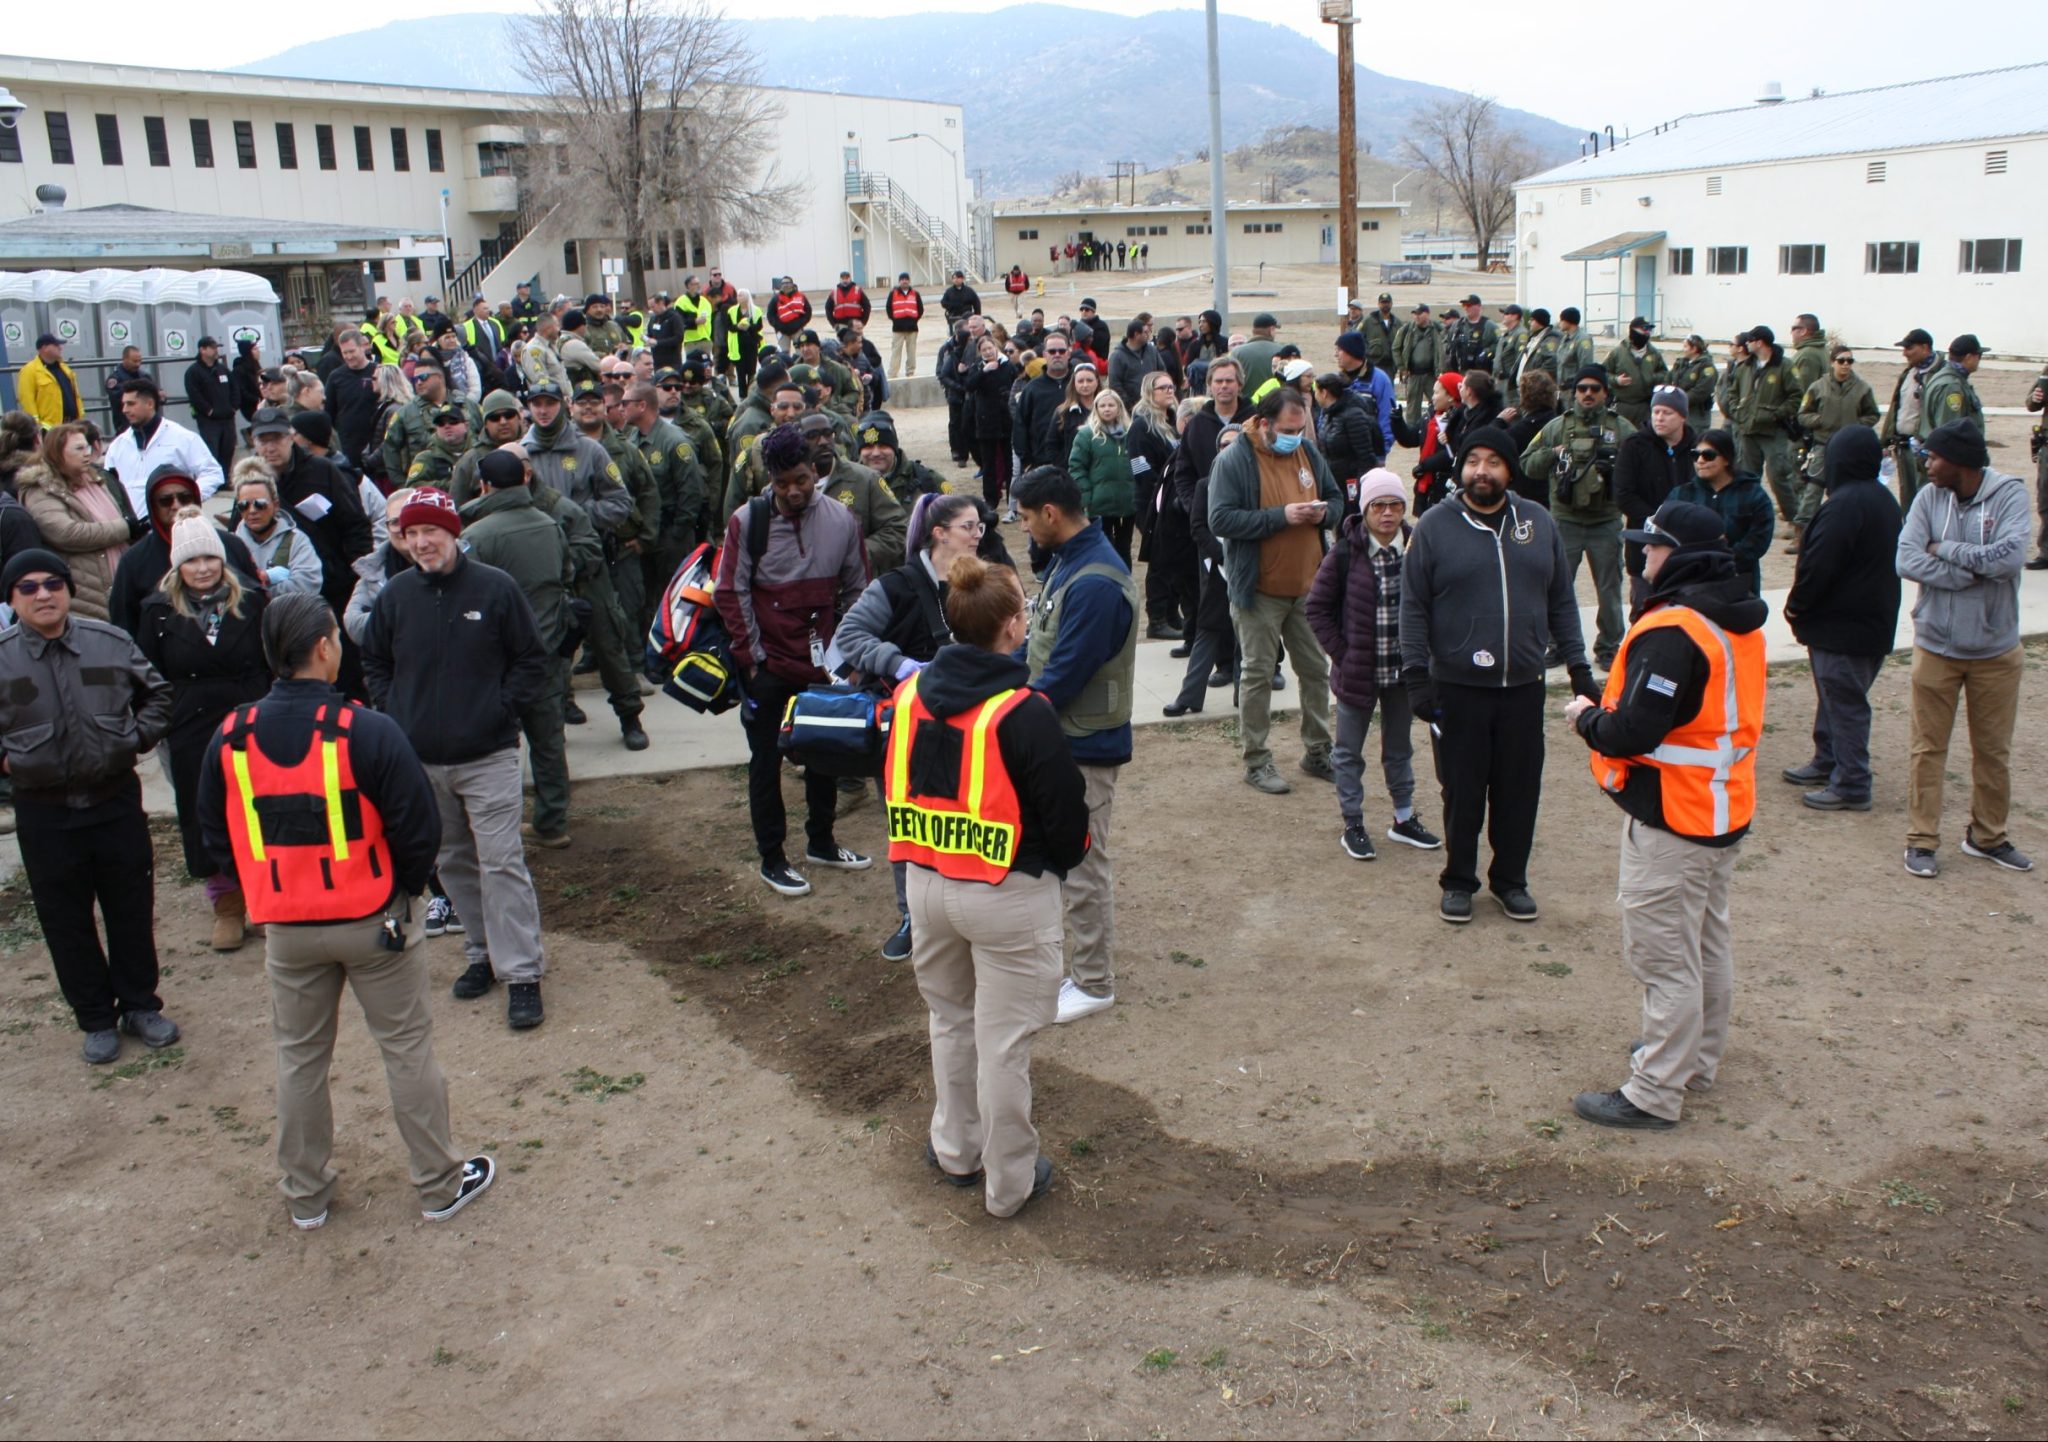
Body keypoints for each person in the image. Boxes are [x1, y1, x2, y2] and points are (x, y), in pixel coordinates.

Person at [197, 592, 495, 1229]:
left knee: (299, 1059)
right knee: (407, 1048)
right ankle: (440, 1185)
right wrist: (405, 894)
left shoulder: (231, 735)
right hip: (374, 919)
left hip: (286, 926)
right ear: (326, 646)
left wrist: (260, 894)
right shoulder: (368, 730)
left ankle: (306, 1197)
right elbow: (418, 829)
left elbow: (214, 835)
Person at [887, 552, 1087, 1216]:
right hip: (1006, 894)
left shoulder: (909, 692)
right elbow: (1065, 819)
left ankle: (956, 1149)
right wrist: (1060, 862)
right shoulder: (1023, 712)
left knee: (950, 1022)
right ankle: (1009, 1183)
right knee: (1003, 1043)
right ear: (1009, 629)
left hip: (925, 884)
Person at [1564, 499, 1767, 1130]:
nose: (1641, 554)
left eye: (1651, 545)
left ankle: (1654, 1091)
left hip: (1673, 818)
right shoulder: (1731, 618)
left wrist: (1585, 719)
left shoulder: (1676, 630)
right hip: (1719, 810)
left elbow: (1631, 731)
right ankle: (1693, 1059)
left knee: (1664, 958)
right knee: (1706, 945)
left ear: (1676, 554)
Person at [361, 488, 551, 1029]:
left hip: (487, 755)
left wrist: (500, 711)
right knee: (453, 861)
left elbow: (530, 661)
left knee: (501, 862)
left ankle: (521, 974)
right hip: (421, 760)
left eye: (431, 532)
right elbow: (374, 658)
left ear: (453, 533)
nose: (421, 543)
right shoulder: (397, 596)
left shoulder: (495, 589)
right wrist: (394, 711)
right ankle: (482, 954)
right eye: (412, 534)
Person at [1401, 426, 1598, 924]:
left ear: (1509, 470)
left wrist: (1578, 667)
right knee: (1463, 791)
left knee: (1518, 791)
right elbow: (1413, 608)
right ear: (1461, 467)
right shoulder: (1434, 527)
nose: (1481, 471)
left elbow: (1561, 601)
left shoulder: (1538, 523)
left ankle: (1511, 880)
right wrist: (1416, 675)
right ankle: (1459, 881)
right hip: (1459, 689)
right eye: (1473, 461)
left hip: (1523, 688)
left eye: (1493, 462)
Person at [0, 549, 177, 1064]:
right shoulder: (5, 656)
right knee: (65, 918)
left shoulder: (108, 643)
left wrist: (133, 740)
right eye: (27, 587)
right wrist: (10, 763)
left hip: (113, 800)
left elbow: (158, 696)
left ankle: (141, 1005)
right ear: (12, 599)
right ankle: (96, 1018)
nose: (43, 594)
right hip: (44, 811)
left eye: (52, 583)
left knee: (129, 907)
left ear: (68, 589)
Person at [712, 424, 873, 897]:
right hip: (767, 667)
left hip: (822, 667)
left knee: (826, 750)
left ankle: (821, 842)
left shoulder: (842, 521)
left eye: (800, 479)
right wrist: (752, 659)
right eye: (782, 483)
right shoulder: (748, 521)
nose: (793, 491)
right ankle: (772, 856)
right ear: (770, 479)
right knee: (765, 761)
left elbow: (858, 589)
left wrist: (850, 655)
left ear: (815, 472)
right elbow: (731, 591)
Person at [836, 494, 991, 960]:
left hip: (975, 726)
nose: (978, 535)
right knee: (909, 824)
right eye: (969, 526)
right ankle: (913, 916)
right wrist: (901, 665)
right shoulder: (897, 586)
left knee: (972, 817)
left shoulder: (983, 579)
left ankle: (970, 912)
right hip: (907, 726)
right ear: (938, 532)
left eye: (981, 527)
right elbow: (848, 637)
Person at [1010, 465, 1137, 1026]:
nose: (1023, 529)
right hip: (1065, 740)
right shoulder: (1072, 561)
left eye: (1025, 517)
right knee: (1065, 861)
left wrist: (1005, 718)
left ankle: (1093, 982)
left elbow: (1063, 675)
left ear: (1051, 514)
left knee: (1083, 863)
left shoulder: (1094, 581)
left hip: (1085, 745)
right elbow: (1041, 649)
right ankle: (1080, 970)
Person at [1895, 419, 2033, 879]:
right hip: (1935, 646)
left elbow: (2011, 557)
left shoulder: (2010, 495)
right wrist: (1966, 573)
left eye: (1933, 457)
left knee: (1993, 751)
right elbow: (1906, 557)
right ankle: (1921, 840)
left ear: (1959, 461)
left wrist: (1944, 548)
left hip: (1996, 651)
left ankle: (1987, 836)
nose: (1927, 464)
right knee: (1927, 749)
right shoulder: (1926, 497)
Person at [136, 506, 271, 951]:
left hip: (249, 717)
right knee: (203, 812)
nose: (202, 568)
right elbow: (149, 674)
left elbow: (273, 661)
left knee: (260, 810)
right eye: (192, 560)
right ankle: (226, 904)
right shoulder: (156, 611)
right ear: (178, 566)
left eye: (209, 559)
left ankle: (265, 899)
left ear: (222, 560)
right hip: (191, 724)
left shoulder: (252, 600)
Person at [1208, 387, 1342, 795]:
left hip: (1308, 588)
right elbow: (1220, 519)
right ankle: (1257, 760)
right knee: (1257, 675)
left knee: (1317, 671)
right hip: (1259, 591)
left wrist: (1324, 515)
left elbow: (1337, 498)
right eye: (1288, 429)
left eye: (1301, 429)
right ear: (1264, 423)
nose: (1295, 437)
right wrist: (1279, 517)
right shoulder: (1234, 459)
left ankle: (1317, 751)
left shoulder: (1307, 452)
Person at [1307, 468, 1441, 862]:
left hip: (1404, 674)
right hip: (1358, 673)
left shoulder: (1418, 548)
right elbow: (1317, 607)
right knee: (1349, 752)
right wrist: (1343, 654)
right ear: (1365, 509)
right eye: (1379, 505)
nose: (1388, 513)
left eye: (1395, 505)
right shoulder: (1346, 552)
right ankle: (1353, 824)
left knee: (1399, 748)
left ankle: (1402, 819)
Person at [1779, 427, 1903, 813]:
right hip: (1869, 624)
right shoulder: (1882, 500)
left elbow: (1819, 565)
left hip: (1844, 627)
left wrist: (1797, 605)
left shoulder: (1846, 505)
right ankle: (1827, 759)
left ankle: (1852, 782)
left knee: (1844, 701)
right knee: (1834, 697)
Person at [460, 448, 575, 849]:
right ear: (524, 480)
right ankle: (552, 821)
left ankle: (495, 825)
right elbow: (567, 574)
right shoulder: (549, 524)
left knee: (495, 749)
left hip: (497, 661)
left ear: (485, 485)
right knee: (548, 741)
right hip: (546, 651)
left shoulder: (474, 536)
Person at [1520, 366, 1634, 667]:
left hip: (1605, 521)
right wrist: (1553, 453)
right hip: (1565, 522)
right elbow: (1527, 464)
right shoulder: (1557, 427)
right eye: (1582, 388)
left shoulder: (1622, 429)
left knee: (1609, 589)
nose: (1587, 394)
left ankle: (1609, 646)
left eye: (1595, 388)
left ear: (1605, 393)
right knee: (1557, 585)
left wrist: (1620, 468)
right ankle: (1557, 644)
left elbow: (1642, 466)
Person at [1163, 359, 1249, 713]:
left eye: (1231, 380)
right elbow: (1199, 524)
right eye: (1218, 380)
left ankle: (1245, 693)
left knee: (1249, 629)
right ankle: (1189, 697)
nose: (1224, 386)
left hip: (1248, 563)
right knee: (1209, 625)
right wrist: (1219, 553)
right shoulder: (1203, 476)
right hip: (1214, 563)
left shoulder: (1253, 485)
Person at [109, 465, 263, 638]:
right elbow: (124, 625)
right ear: (153, 506)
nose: (177, 505)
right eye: (166, 500)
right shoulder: (134, 561)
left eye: (185, 497)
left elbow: (256, 600)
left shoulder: (232, 545)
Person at [16, 422, 143, 623]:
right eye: (79, 448)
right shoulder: (41, 489)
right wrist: (125, 528)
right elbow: (66, 533)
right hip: (84, 592)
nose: (88, 453)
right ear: (58, 453)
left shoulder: (94, 480)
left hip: (116, 581)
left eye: (88, 447)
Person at [1614, 386, 1696, 615]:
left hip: (1686, 546)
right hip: (1644, 546)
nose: (1659, 418)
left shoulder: (1697, 448)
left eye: (1667, 412)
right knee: (1644, 612)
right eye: (1655, 411)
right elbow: (1623, 495)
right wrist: (1658, 520)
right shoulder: (1634, 446)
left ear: (1682, 416)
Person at [1792, 346, 1880, 549]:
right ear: (1832, 362)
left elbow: (1872, 414)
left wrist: (1857, 426)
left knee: (1846, 491)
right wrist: (1820, 420)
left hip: (1850, 448)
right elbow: (1803, 414)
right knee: (1813, 488)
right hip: (1823, 445)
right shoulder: (1817, 387)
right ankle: (1802, 534)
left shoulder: (1862, 388)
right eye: (1841, 360)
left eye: (1850, 361)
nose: (1846, 365)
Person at [1671, 429, 1774, 596]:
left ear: (1726, 459)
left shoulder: (1753, 494)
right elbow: (1666, 535)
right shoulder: (1681, 494)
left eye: (1708, 455)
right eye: (1695, 455)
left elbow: (1759, 539)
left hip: (1739, 582)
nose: (1700, 461)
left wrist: (1725, 560)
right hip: (1692, 583)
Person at [1129, 372, 1193, 640]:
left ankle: (1171, 614)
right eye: (1162, 387)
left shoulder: (1174, 420)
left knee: (1177, 559)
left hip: (1177, 504)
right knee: (1159, 561)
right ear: (1149, 392)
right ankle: (1156, 618)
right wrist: (1163, 493)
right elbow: (1139, 467)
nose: (1169, 391)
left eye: (1171, 386)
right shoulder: (1141, 427)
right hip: (1152, 504)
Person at [103, 378, 224, 512]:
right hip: (133, 527)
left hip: (175, 524)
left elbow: (212, 472)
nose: (125, 410)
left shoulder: (182, 438)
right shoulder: (118, 446)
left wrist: (188, 501)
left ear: (149, 404)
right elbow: (107, 486)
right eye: (124, 404)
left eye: (131, 404)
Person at [1731, 323, 1801, 532]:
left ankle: (1795, 521)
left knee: (1778, 475)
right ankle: (1749, 518)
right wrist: (1737, 412)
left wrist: (1776, 414)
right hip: (1748, 430)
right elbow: (1733, 392)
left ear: (1760, 342)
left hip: (1773, 431)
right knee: (1747, 476)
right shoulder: (1745, 367)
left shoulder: (1785, 366)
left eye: (1750, 341)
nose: (1747, 344)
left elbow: (1796, 396)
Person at [1068, 387, 1138, 566]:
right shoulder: (1087, 435)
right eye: (1102, 405)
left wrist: (1138, 492)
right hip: (1099, 505)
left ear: (1119, 408)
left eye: (1111, 405)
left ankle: (1125, 587)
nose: (1107, 409)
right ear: (1096, 409)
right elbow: (1076, 468)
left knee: (1124, 548)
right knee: (1103, 548)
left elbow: (1139, 464)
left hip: (1127, 504)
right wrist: (1086, 498)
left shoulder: (1132, 434)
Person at [231, 466, 324, 597]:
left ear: (275, 505)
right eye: (243, 505)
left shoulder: (296, 540)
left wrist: (258, 593)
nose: (252, 511)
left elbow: (307, 585)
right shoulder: (232, 544)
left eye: (260, 504)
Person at [1880, 328, 1940, 510]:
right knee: (1908, 498)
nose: (1905, 353)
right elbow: (1895, 409)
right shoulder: (1908, 374)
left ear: (1925, 347)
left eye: (1909, 348)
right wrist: (1885, 441)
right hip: (1903, 447)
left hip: (1924, 450)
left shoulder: (1938, 376)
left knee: (1925, 498)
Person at [967, 335, 1020, 512]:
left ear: (996, 347)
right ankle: (990, 498)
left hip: (1006, 418)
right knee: (988, 463)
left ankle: (1012, 500)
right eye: (984, 350)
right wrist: (984, 371)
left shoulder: (1008, 365)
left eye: (990, 348)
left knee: (1009, 462)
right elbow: (969, 385)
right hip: (985, 420)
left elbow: (1016, 384)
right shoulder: (977, 366)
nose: (988, 352)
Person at [186, 336, 238, 477]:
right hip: (209, 420)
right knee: (211, 450)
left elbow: (234, 388)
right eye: (213, 347)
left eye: (217, 348)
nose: (216, 351)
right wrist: (209, 411)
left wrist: (234, 407)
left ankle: (225, 478)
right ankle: (213, 479)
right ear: (202, 350)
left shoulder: (222, 369)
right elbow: (194, 394)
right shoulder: (194, 372)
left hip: (227, 417)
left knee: (228, 449)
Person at [1603, 317, 1668, 428]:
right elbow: (1603, 374)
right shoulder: (1617, 352)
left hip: (1645, 406)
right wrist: (1616, 380)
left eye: (1649, 330)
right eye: (1644, 329)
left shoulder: (1654, 353)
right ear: (1633, 330)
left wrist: (1652, 378)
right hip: (1622, 405)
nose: (1647, 333)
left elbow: (1665, 374)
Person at [18, 333, 83, 428]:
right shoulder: (29, 370)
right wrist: (36, 426)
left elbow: (76, 396)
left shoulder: (65, 369)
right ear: (44, 348)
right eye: (56, 345)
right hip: (49, 429)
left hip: (72, 424)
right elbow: (27, 400)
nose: (60, 348)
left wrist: (80, 419)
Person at [1670, 336, 1718, 433]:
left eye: (1685, 346)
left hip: (1696, 415)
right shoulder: (1681, 363)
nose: (1683, 350)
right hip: (1679, 412)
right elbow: (1669, 379)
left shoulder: (1707, 367)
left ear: (1694, 349)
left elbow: (1701, 391)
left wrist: (1679, 400)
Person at [1233, 313, 1284, 396]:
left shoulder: (1237, 352)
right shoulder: (1282, 350)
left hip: (1246, 404)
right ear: (1271, 330)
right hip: (1276, 403)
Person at [884, 273, 924, 378]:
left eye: (906, 279)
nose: (904, 281)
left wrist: (914, 320)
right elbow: (888, 309)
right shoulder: (893, 294)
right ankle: (893, 373)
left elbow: (920, 309)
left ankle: (910, 372)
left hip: (912, 328)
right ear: (899, 281)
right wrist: (895, 320)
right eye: (902, 279)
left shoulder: (915, 294)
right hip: (898, 328)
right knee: (896, 351)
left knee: (911, 352)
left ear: (909, 281)